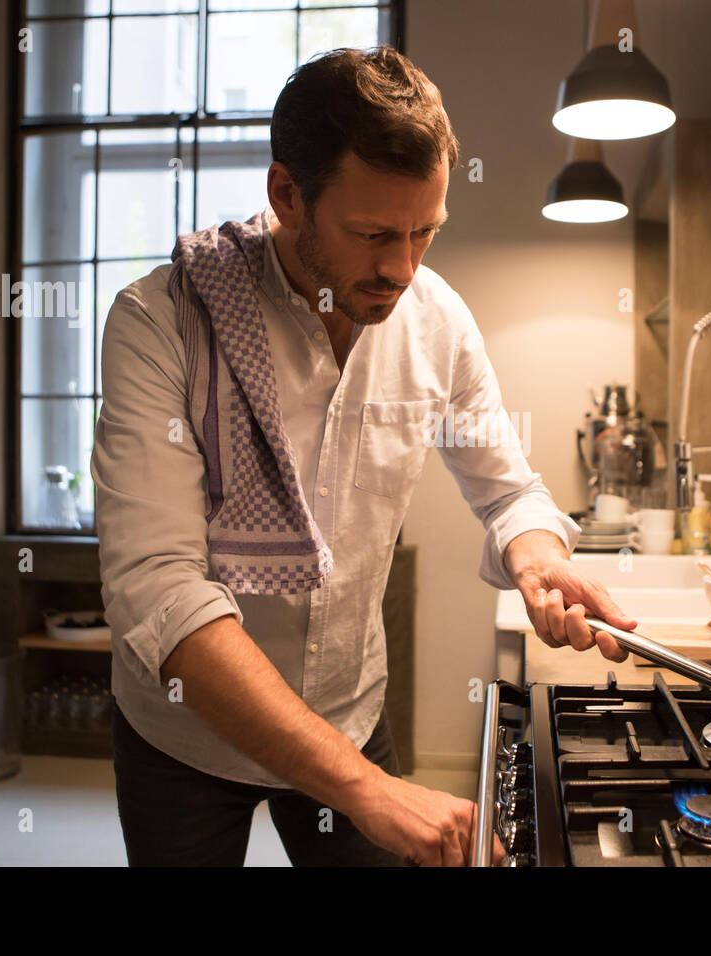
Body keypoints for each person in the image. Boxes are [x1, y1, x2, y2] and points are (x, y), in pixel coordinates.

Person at [92, 45, 637, 867]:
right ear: (286, 195)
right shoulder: (159, 324)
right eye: (374, 233)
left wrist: (537, 557)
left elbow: (507, 490)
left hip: (350, 708)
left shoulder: (436, 319)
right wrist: (366, 789)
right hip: (186, 736)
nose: (402, 268)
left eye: (425, 232)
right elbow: (160, 592)